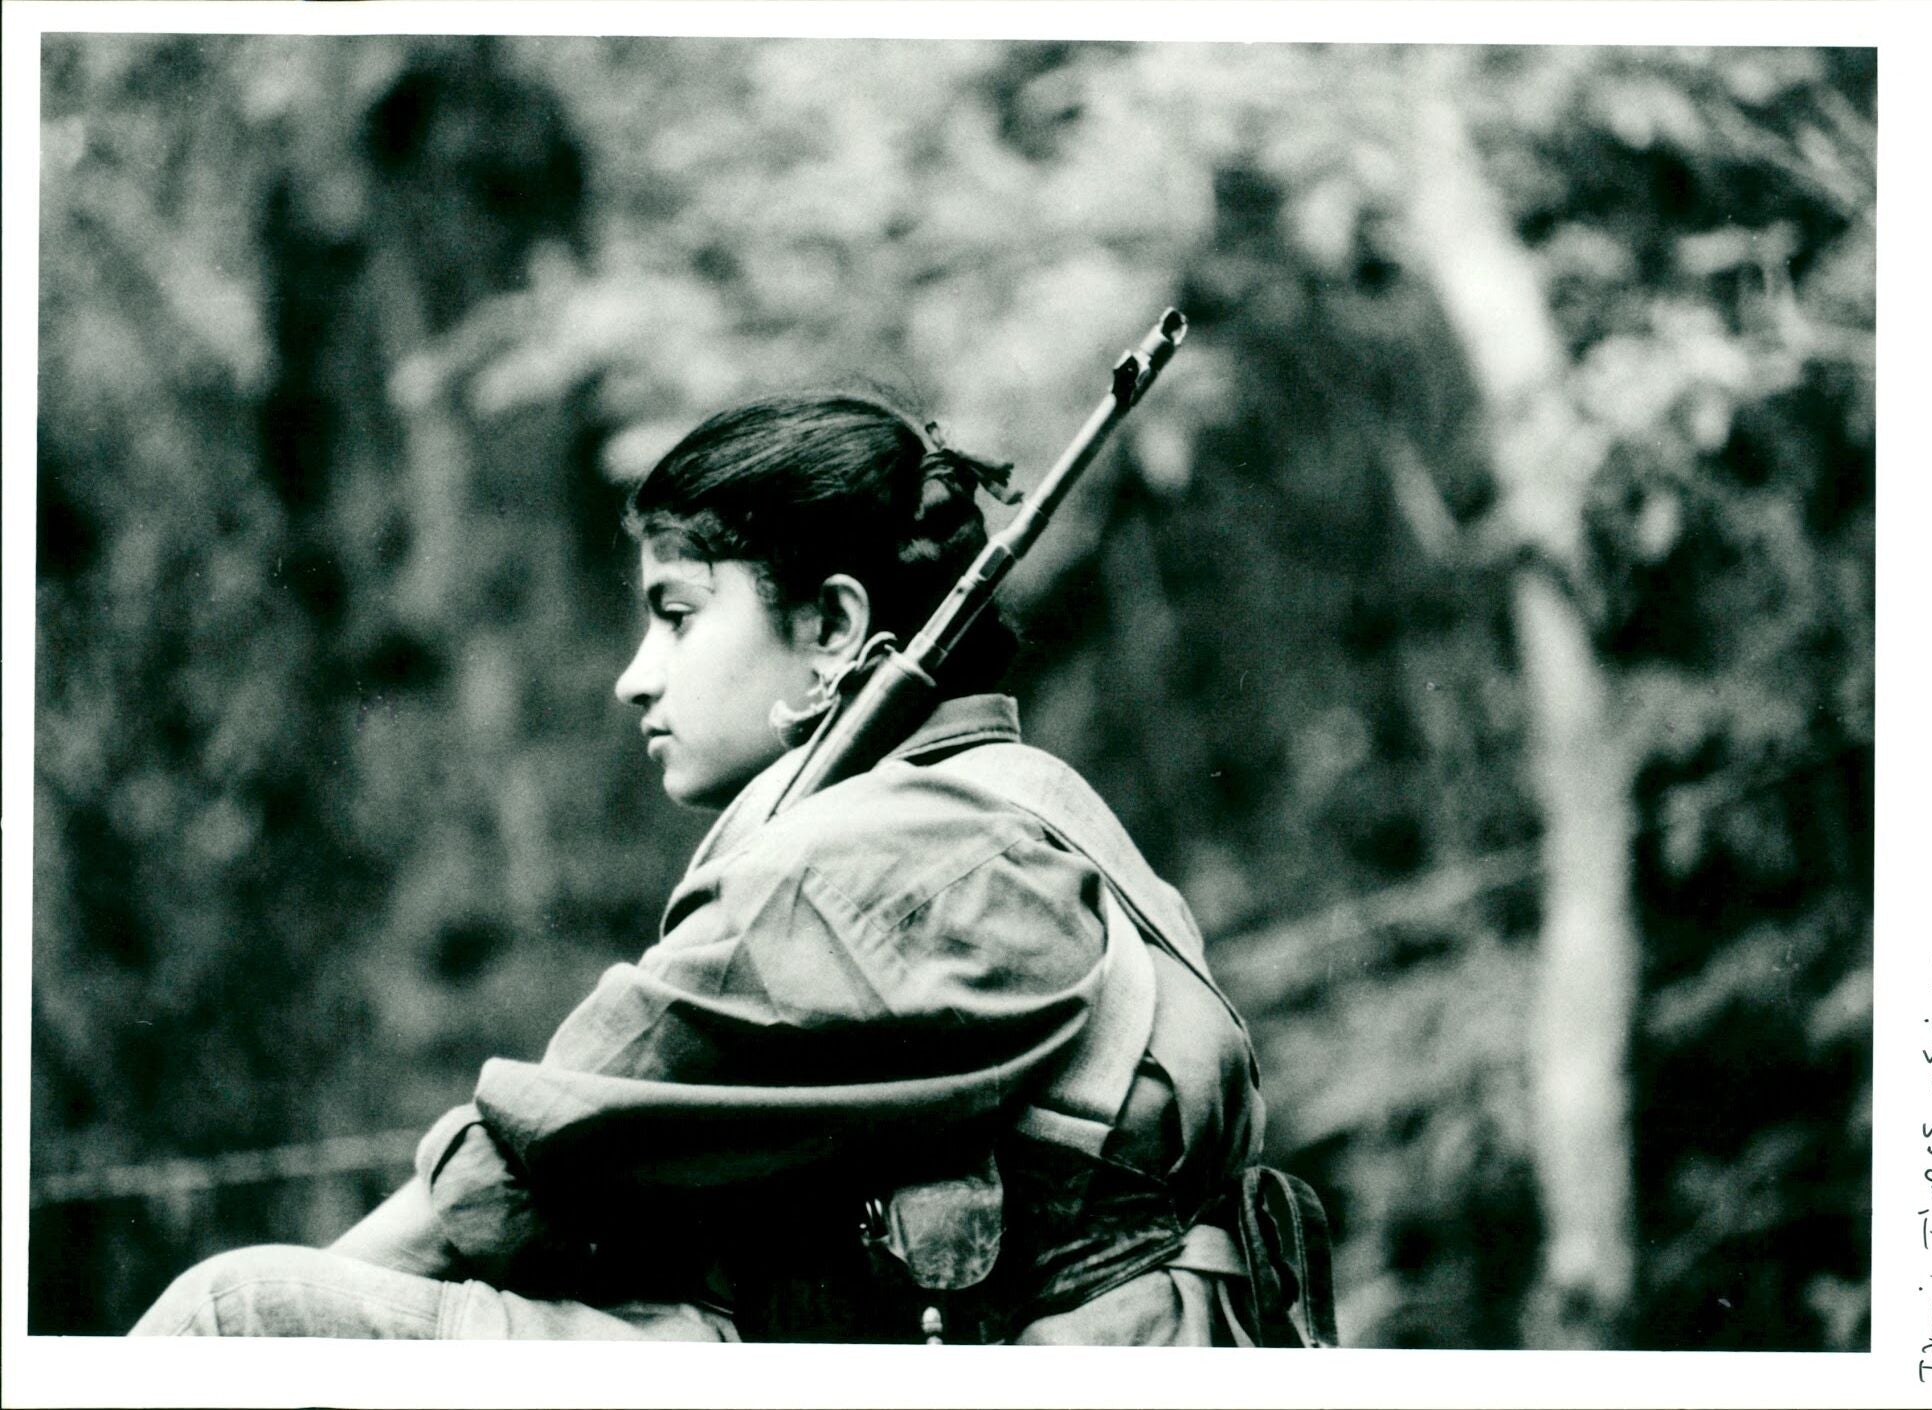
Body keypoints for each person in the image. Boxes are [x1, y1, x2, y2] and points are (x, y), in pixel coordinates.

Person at [131, 393, 1331, 1345]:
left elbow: (534, 1155)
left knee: (232, 1314)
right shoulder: (1030, 809)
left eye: (678, 614)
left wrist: (262, 1339)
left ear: (832, 630)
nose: (635, 676)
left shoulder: (875, 855)